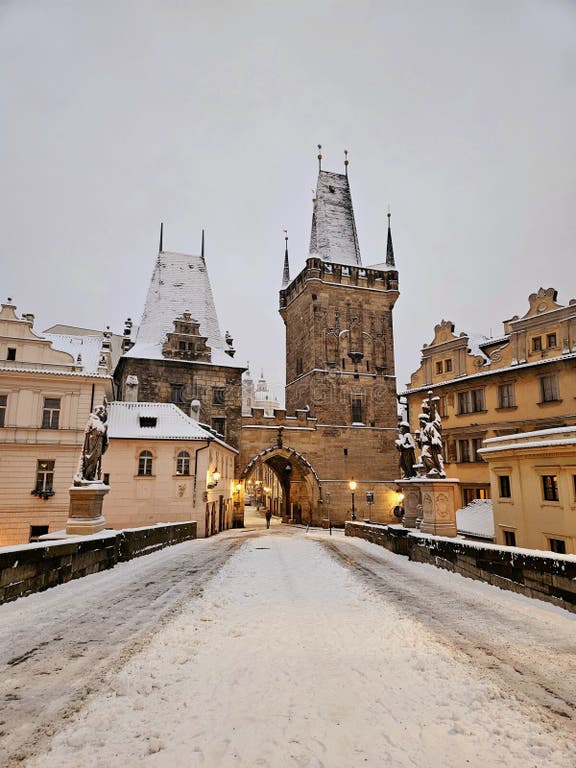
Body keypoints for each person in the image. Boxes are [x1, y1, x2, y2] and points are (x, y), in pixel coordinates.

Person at [75, 403, 109, 484]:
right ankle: (86, 475)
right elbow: (91, 432)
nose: (103, 413)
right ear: (97, 412)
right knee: (90, 460)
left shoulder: (101, 422)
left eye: (103, 411)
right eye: (101, 411)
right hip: (91, 445)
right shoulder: (92, 420)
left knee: (95, 461)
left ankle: (90, 476)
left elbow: (104, 436)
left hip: (98, 444)